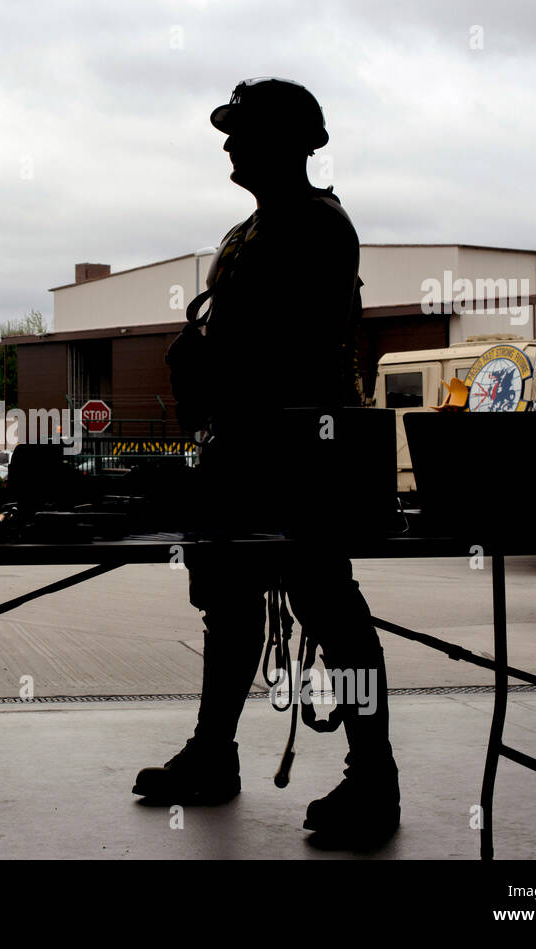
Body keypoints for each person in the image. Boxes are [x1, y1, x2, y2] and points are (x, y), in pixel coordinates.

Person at [133, 78, 399, 848]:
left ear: (289, 142)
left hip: (302, 457)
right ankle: (213, 754)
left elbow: (302, 346)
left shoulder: (318, 226)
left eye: (241, 132)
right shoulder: (246, 234)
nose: (227, 145)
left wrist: (220, 364)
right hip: (241, 455)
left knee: (331, 612)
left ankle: (373, 778)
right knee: (231, 608)